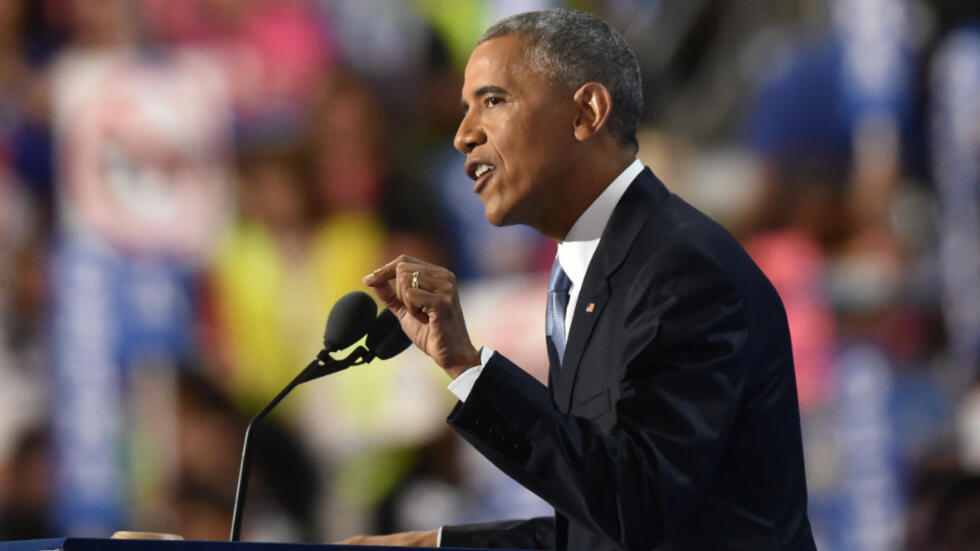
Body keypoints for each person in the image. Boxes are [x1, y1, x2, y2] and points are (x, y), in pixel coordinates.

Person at [347, 8, 816, 550]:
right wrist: (433, 546)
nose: (462, 136)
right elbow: (599, 531)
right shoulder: (589, 272)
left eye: (493, 101)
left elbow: (633, 504)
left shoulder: (682, 271)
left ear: (586, 112)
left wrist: (469, 367)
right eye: (463, 109)